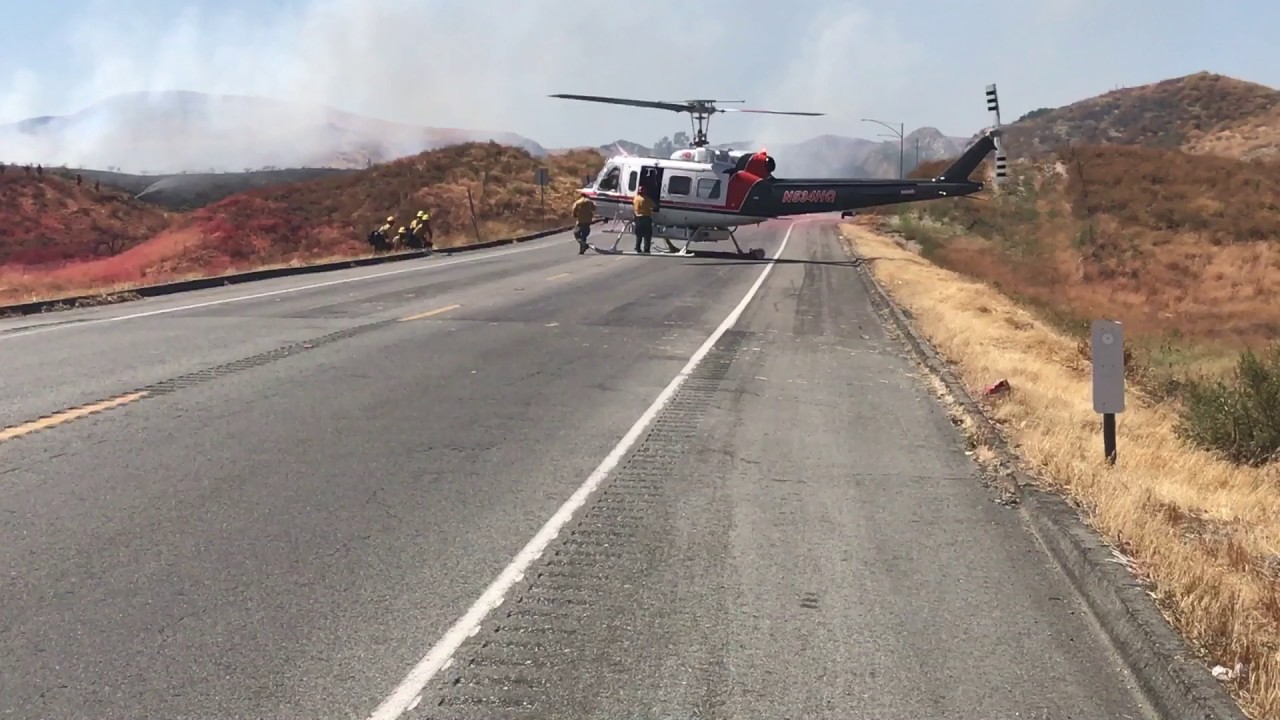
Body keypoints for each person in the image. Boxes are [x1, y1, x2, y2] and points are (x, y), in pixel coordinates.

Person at [632, 185, 655, 254]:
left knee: (639, 234)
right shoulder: (647, 199)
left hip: (638, 218)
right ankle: (646, 249)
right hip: (646, 218)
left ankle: (637, 248)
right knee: (647, 234)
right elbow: (653, 206)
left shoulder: (635, 199)